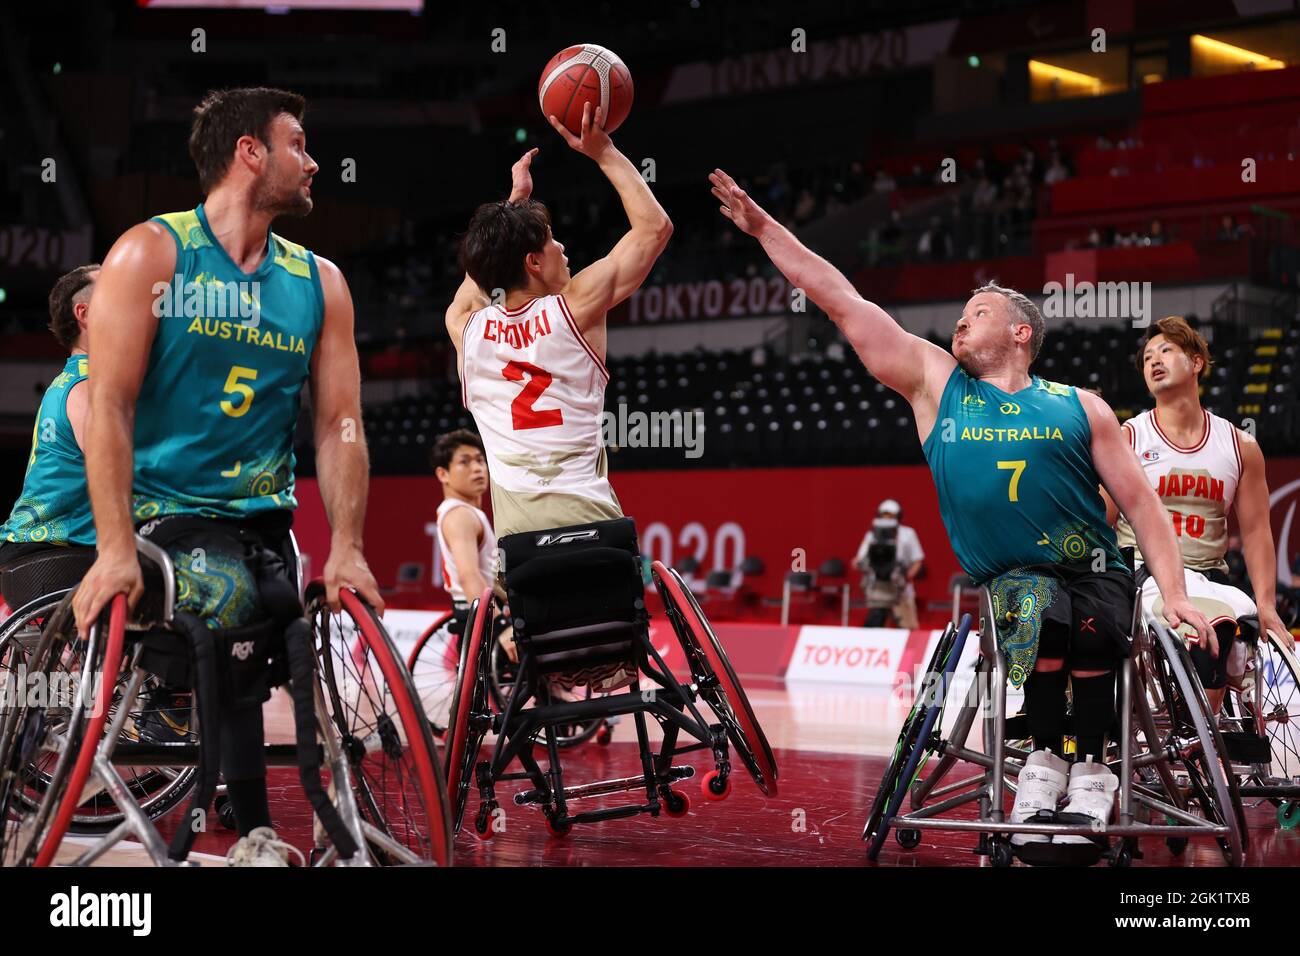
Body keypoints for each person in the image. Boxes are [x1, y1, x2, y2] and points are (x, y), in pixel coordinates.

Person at [710, 167, 1209, 848]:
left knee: (1090, 617)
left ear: (1021, 332)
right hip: (1014, 579)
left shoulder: (1078, 405)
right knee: (1041, 610)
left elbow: (1144, 507)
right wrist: (765, 228)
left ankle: (1091, 776)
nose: (960, 320)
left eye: (977, 311)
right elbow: (842, 301)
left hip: (1093, 569)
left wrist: (1174, 592)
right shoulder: (935, 385)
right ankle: (1042, 769)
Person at [70, 87, 382, 866]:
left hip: (263, 523)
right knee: (235, 600)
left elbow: (340, 423)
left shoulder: (320, 283)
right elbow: (106, 404)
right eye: (299, 145)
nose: (314, 163)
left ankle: (331, 798)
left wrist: (347, 544)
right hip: (167, 516)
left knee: (300, 608)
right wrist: (113, 548)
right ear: (251, 153)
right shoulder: (152, 253)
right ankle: (253, 832)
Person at [445, 103, 671, 539]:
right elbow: (654, 229)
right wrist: (603, 151)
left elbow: (473, 286)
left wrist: (512, 210)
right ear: (532, 261)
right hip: (594, 533)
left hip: (522, 550)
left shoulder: (467, 329)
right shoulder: (576, 308)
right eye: (551, 243)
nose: (563, 248)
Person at [1101, 317, 1295, 719]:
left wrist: (1266, 603)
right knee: (1212, 626)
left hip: (1210, 572)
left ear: (1196, 362)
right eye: (1147, 358)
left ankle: (1202, 736)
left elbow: (1257, 531)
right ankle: (1196, 739)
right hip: (1143, 572)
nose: (1154, 361)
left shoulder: (1240, 446)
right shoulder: (1130, 437)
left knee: (1236, 620)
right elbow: (1101, 517)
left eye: (1165, 351)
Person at [0, 265, 99, 609]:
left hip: (34, 555)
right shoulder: (87, 389)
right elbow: (115, 476)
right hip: (52, 559)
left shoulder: (69, 381)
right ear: (83, 313)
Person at [430, 428, 515, 661]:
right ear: (443, 474)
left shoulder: (469, 513)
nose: (477, 468)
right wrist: (501, 626)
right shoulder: (460, 516)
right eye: (464, 462)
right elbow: (469, 577)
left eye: (480, 460)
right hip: (478, 617)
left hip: (485, 609)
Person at [852, 499, 924, 627]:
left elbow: (917, 560)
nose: (887, 519)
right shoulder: (872, 536)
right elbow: (860, 560)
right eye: (884, 515)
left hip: (901, 590)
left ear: (898, 516)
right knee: (877, 628)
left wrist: (907, 577)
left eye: (891, 516)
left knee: (908, 628)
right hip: (878, 590)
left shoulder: (908, 534)